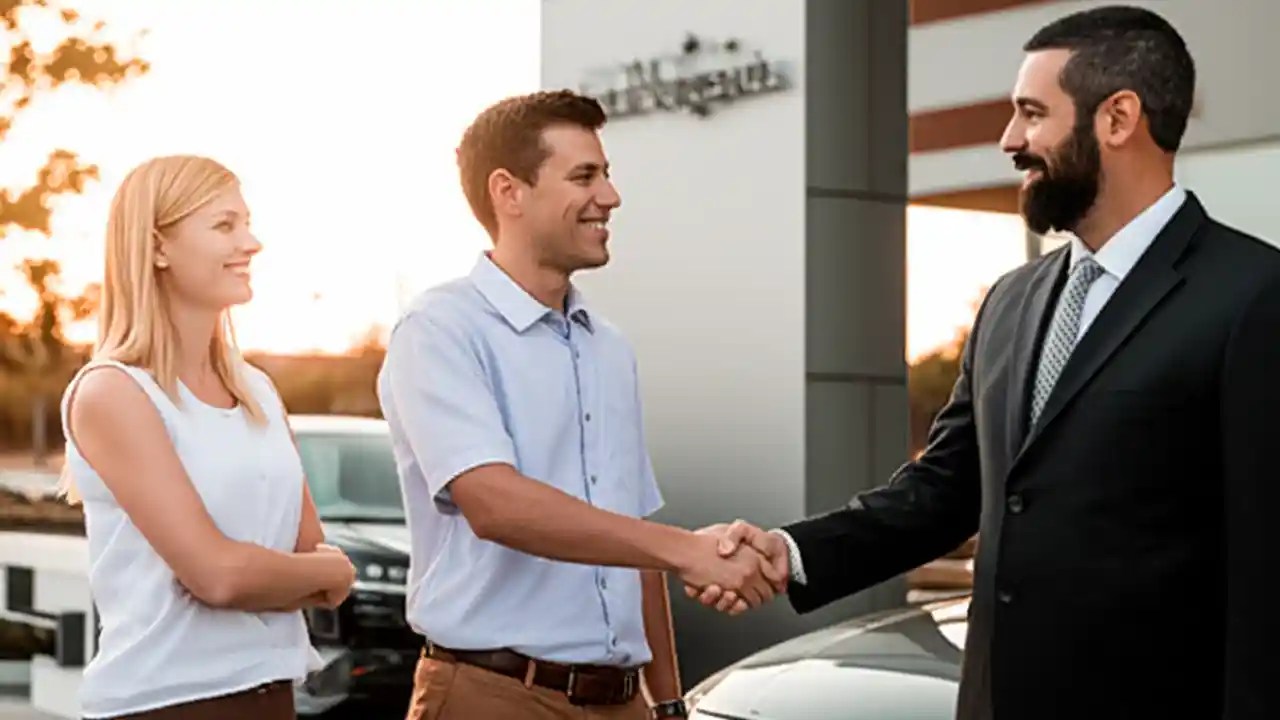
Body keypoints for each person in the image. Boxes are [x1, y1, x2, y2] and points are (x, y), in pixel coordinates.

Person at [695, 6, 1280, 720]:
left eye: (1032, 114)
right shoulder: (1012, 300)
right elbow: (946, 490)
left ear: (1119, 118)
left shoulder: (1255, 297)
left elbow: (1269, 577)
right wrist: (791, 551)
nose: (1010, 140)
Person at [377, 89, 781, 720]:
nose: (610, 197)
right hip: (493, 697)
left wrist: (668, 702)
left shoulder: (609, 347)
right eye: (584, 176)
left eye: (607, 175)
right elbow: (493, 503)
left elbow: (634, 538)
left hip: (624, 704)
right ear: (508, 192)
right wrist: (688, 550)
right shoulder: (438, 330)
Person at [58, 155, 356, 719]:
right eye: (225, 225)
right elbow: (218, 576)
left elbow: (299, 553)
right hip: (165, 706)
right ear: (157, 248)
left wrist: (287, 572)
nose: (252, 242)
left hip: (271, 699)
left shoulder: (258, 391)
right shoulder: (113, 392)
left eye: (246, 222)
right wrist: (326, 572)